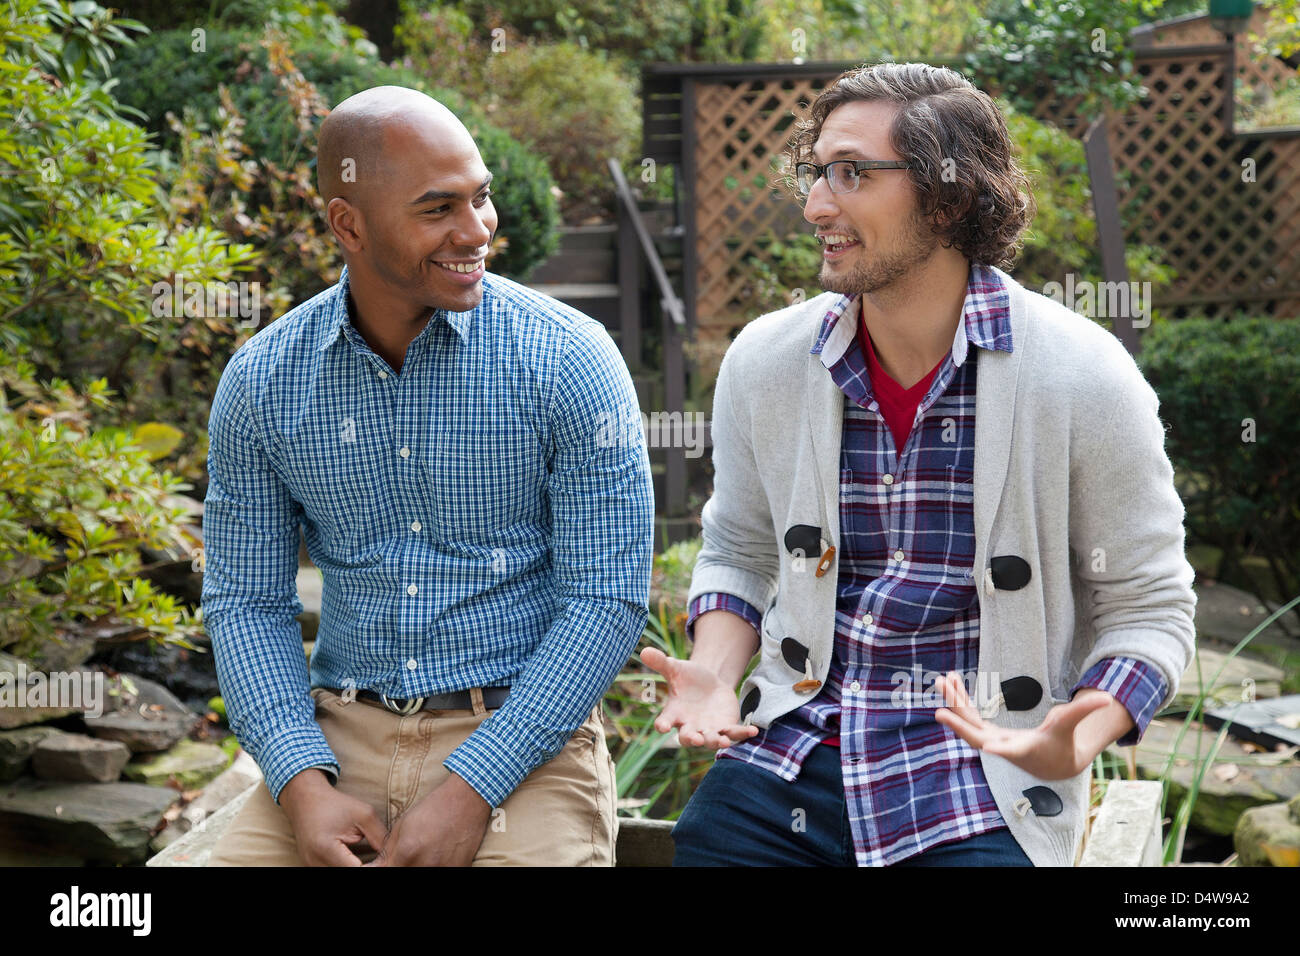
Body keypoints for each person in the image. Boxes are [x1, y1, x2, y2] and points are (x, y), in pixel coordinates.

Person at [643, 62, 1196, 867]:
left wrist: (1087, 724)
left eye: (853, 175)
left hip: (978, 773)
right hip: (794, 753)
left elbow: (1150, 604)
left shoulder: (1082, 375)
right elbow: (742, 549)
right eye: (817, 172)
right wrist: (717, 669)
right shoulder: (766, 362)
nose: (816, 204)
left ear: (949, 196)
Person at [201, 86, 654, 866]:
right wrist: (301, 782)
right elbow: (245, 601)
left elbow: (604, 599)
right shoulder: (262, 382)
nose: (476, 230)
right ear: (349, 224)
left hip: (525, 743)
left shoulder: (568, 360)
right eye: (438, 209)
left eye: (481, 199)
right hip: (338, 739)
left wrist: (471, 788)